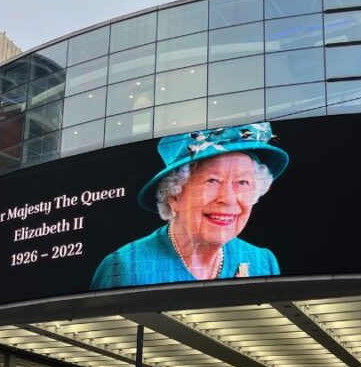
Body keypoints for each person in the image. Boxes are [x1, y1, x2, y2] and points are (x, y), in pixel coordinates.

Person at [91, 123, 290, 289]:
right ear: (173, 194)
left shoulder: (262, 262)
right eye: (213, 180)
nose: (228, 199)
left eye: (243, 182)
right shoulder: (126, 268)